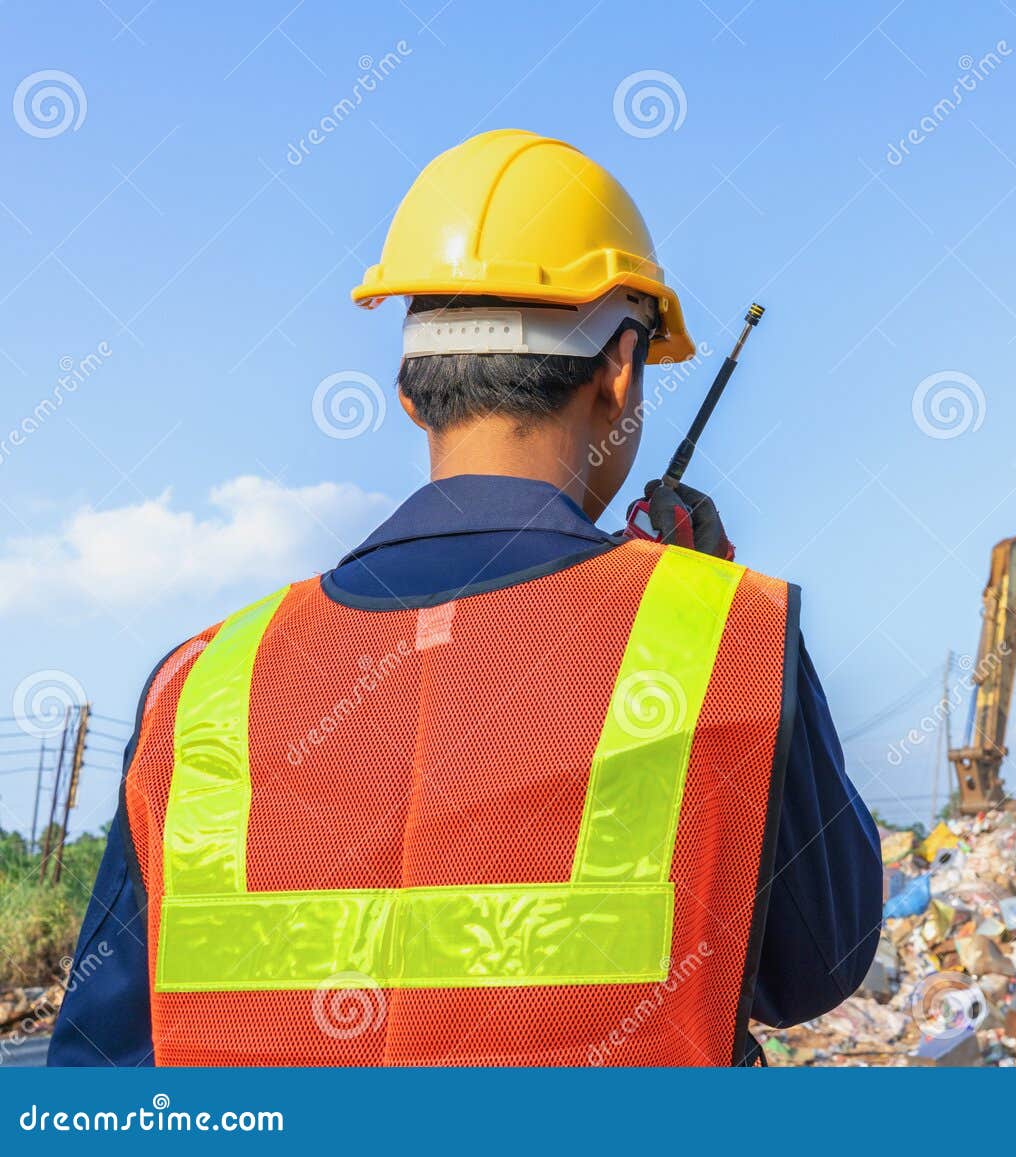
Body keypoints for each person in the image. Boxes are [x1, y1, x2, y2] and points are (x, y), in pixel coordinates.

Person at [50, 130, 881, 1067]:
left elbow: (100, 1063)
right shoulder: (732, 633)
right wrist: (697, 599)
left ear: (410, 389)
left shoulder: (202, 682)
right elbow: (818, 963)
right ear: (617, 372)